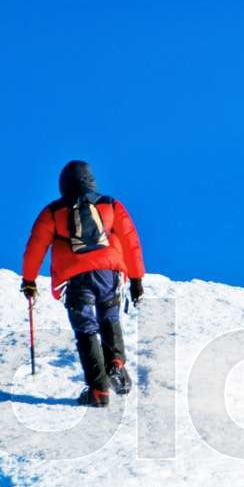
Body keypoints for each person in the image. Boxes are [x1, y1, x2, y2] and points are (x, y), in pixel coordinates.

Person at [22, 160, 146, 407]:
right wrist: (136, 280)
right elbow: (131, 242)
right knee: (110, 318)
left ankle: (99, 391)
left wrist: (29, 281)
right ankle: (116, 364)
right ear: (91, 180)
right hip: (108, 274)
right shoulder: (110, 204)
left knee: (86, 329)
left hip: (75, 278)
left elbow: (36, 246)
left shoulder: (53, 211)